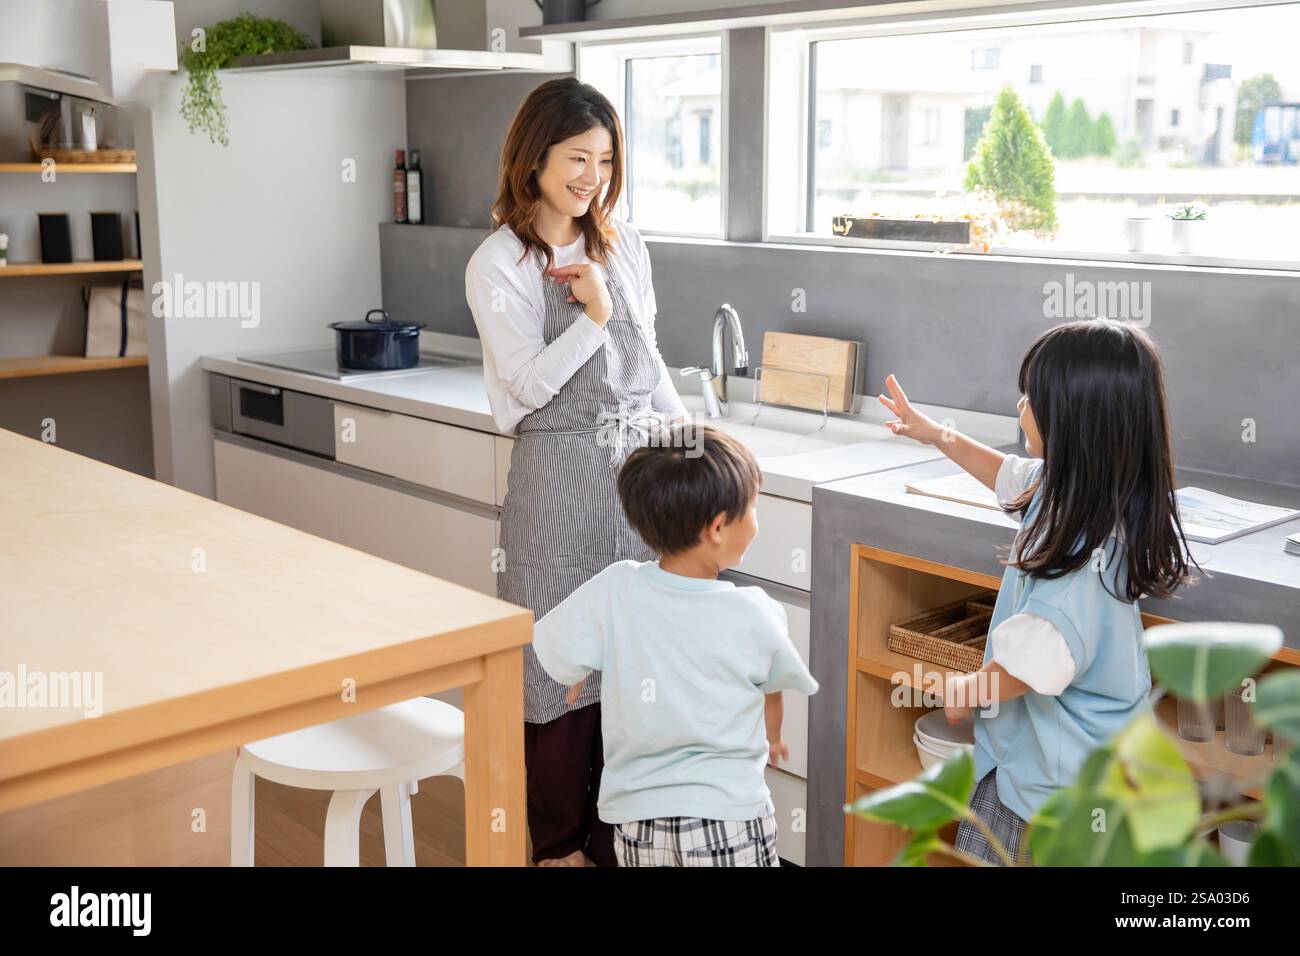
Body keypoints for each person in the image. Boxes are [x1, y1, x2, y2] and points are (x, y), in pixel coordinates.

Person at [464, 78, 688, 867]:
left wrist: (698, 439)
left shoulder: (623, 245)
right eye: (575, 157)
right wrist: (595, 316)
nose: (592, 175)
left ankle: (612, 845)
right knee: (554, 672)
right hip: (555, 485)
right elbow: (525, 388)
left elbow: (648, 360)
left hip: (634, 487)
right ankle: (556, 848)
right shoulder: (500, 262)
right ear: (534, 158)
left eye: (604, 158)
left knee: (628, 672)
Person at [880, 320, 1195, 865]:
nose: (1020, 406)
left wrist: (966, 691)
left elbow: (1028, 668)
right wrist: (936, 433)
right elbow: (1006, 472)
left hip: (1052, 794)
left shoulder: (1080, 562)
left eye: (1031, 398)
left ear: (1073, 422)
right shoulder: (1075, 488)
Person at [532, 425, 818, 867]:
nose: (757, 521)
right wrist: (774, 736)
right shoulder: (753, 612)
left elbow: (558, 649)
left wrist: (580, 668)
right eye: (753, 509)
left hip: (637, 822)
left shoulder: (616, 586)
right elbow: (773, 687)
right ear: (719, 527)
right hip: (727, 818)